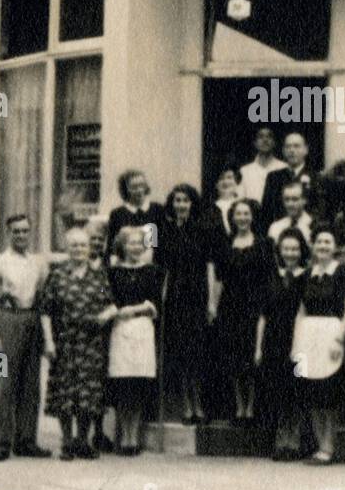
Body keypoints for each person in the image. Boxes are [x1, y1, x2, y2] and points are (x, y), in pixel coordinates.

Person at [38, 221, 117, 461]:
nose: (79, 249)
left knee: (88, 392)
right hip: (64, 342)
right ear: (66, 247)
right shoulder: (58, 274)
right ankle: (66, 441)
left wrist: (106, 315)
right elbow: (45, 311)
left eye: (83, 245)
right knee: (64, 391)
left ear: (88, 248)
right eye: (74, 245)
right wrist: (49, 342)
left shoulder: (98, 276)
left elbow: (111, 305)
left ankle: (83, 440)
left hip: (91, 344)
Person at [0, 214, 51, 462]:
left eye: (25, 231)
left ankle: (26, 441)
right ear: (7, 233)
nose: (21, 236)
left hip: (31, 322)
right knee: (3, 382)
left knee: (31, 384)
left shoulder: (38, 263)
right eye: (16, 231)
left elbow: (43, 297)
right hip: (6, 323)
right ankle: (0, 443)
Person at [292, 224, 345, 465]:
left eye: (327, 242)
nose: (323, 246)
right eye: (319, 242)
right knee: (311, 393)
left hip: (331, 335)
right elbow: (300, 310)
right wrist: (296, 345)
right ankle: (320, 446)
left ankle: (329, 448)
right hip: (308, 337)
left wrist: (340, 337)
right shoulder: (306, 275)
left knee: (329, 395)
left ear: (334, 247)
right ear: (313, 246)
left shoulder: (342, 273)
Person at [207, 199, 274, 423]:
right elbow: (219, 278)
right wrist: (213, 305)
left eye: (246, 214)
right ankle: (239, 407)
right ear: (232, 217)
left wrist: (266, 305)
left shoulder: (264, 243)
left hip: (254, 304)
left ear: (252, 216)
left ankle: (252, 407)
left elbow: (269, 277)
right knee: (234, 357)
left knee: (252, 356)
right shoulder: (225, 245)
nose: (242, 218)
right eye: (238, 214)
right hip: (230, 305)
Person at [107, 226, 163, 456]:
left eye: (140, 243)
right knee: (123, 382)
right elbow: (104, 294)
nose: (135, 247)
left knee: (138, 383)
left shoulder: (152, 271)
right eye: (131, 243)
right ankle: (123, 436)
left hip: (142, 327)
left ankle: (134, 437)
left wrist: (134, 309)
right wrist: (115, 311)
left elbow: (155, 301)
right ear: (122, 246)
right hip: (120, 327)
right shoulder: (112, 272)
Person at [158, 183, 210, 425]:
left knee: (196, 352)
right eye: (177, 200)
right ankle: (185, 405)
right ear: (172, 203)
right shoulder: (161, 229)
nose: (181, 205)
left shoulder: (201, 229)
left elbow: (209, 267)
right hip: (174, 298)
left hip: (197, 296)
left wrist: (210, 303)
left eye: (186, 200)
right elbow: (154, 262)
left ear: (192, 203)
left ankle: (198, 402)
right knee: (178, 352)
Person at [255, 227, 308, 461]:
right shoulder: (269, 277)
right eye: (286, 248)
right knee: (276, 389)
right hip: (274, 340)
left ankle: (294, 441)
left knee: (296, 389)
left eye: (295, 248)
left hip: (299, 341)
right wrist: (258, 347)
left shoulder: (307, 277)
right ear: (279, 250)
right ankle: (280, 441)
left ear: (301, 250)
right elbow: (262, 316)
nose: (290, 252)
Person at [106, 169, 164, 263]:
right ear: (125, 190)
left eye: (142, 185)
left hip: (154, 266)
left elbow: (163, 242)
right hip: (126, 267)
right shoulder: (117, 214)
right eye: (134, 187)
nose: (139, 190)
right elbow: (112, 247)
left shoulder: (157, 209)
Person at [261, 132, 313, 227]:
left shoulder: (315, 178)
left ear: (306, 150)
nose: (292, 150)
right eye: (288, 147)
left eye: (296, 146)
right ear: (283, 151)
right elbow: (266, 213)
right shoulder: (273, 178)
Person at [239, 127, 285, 206]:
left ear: (274, 142)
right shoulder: (245, 171)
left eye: (269, 136)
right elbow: (240, 199)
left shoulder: (283, 167)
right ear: (255, 143)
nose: (265, 140)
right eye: (261, 136)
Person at [267, 180, 313, 245]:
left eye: (295, 199)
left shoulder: (312, 226)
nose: (290, 204)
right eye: (287, 199)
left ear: (304, 200)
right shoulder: (275, 227)